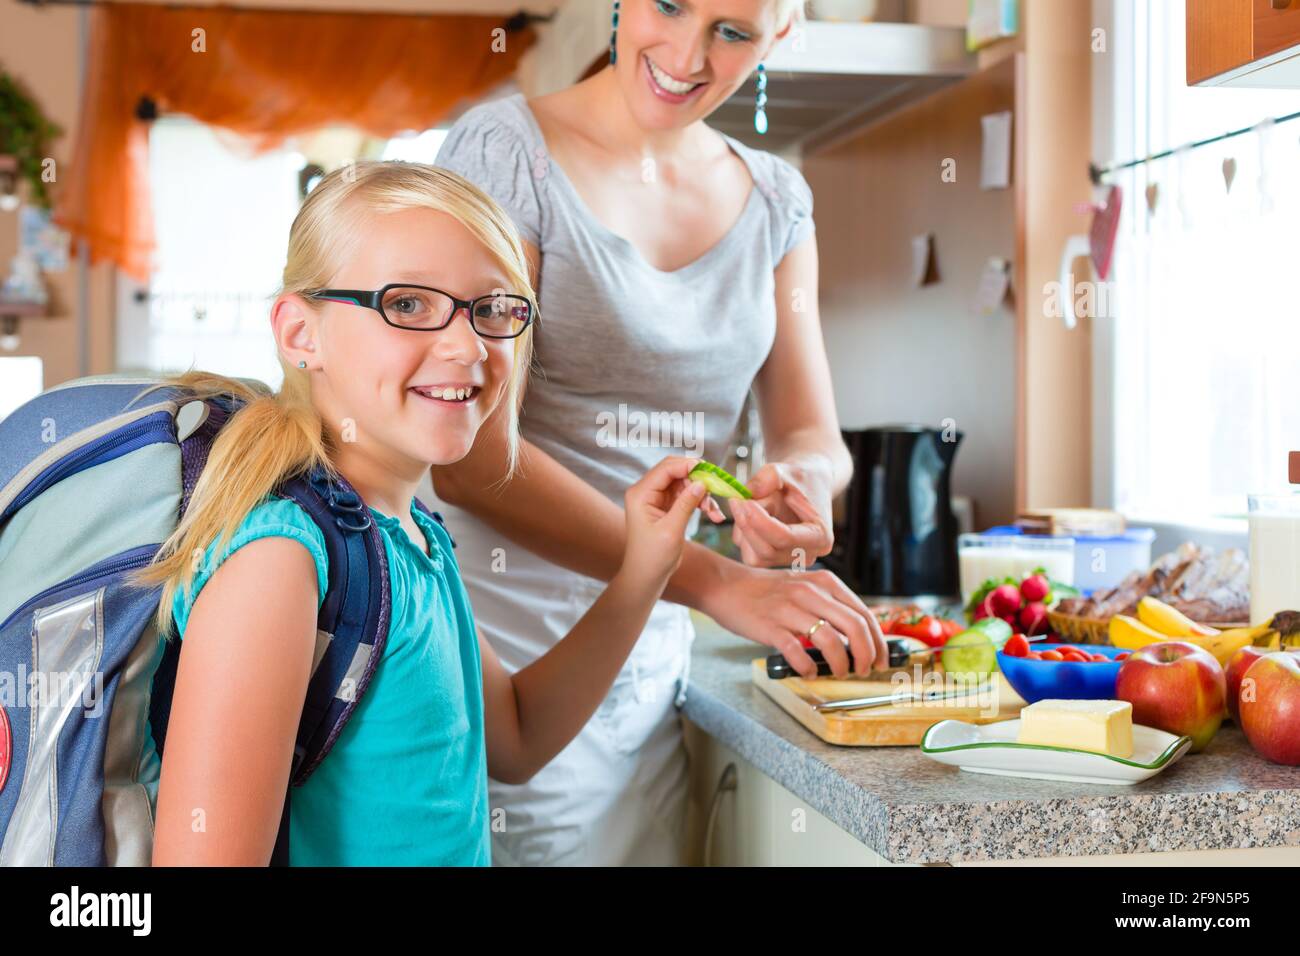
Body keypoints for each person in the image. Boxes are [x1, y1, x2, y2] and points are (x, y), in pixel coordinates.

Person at [143, 161, 718, 865]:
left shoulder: (411, 537)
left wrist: (643, 570)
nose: (468, 346)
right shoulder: (282, 559)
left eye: (493, 309)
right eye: (408, 304)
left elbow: (518, 735)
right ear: (300, 334)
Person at [426, 0, 887, 866]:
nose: (685, 52)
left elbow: (808, 426)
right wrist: (716, 583)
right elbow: (475, 458)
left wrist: (800, 484)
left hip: (656, 653)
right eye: (670, 5)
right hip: (514, 645)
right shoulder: (506, 155)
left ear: (781, 35)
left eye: (733, 30)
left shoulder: (778, 201)